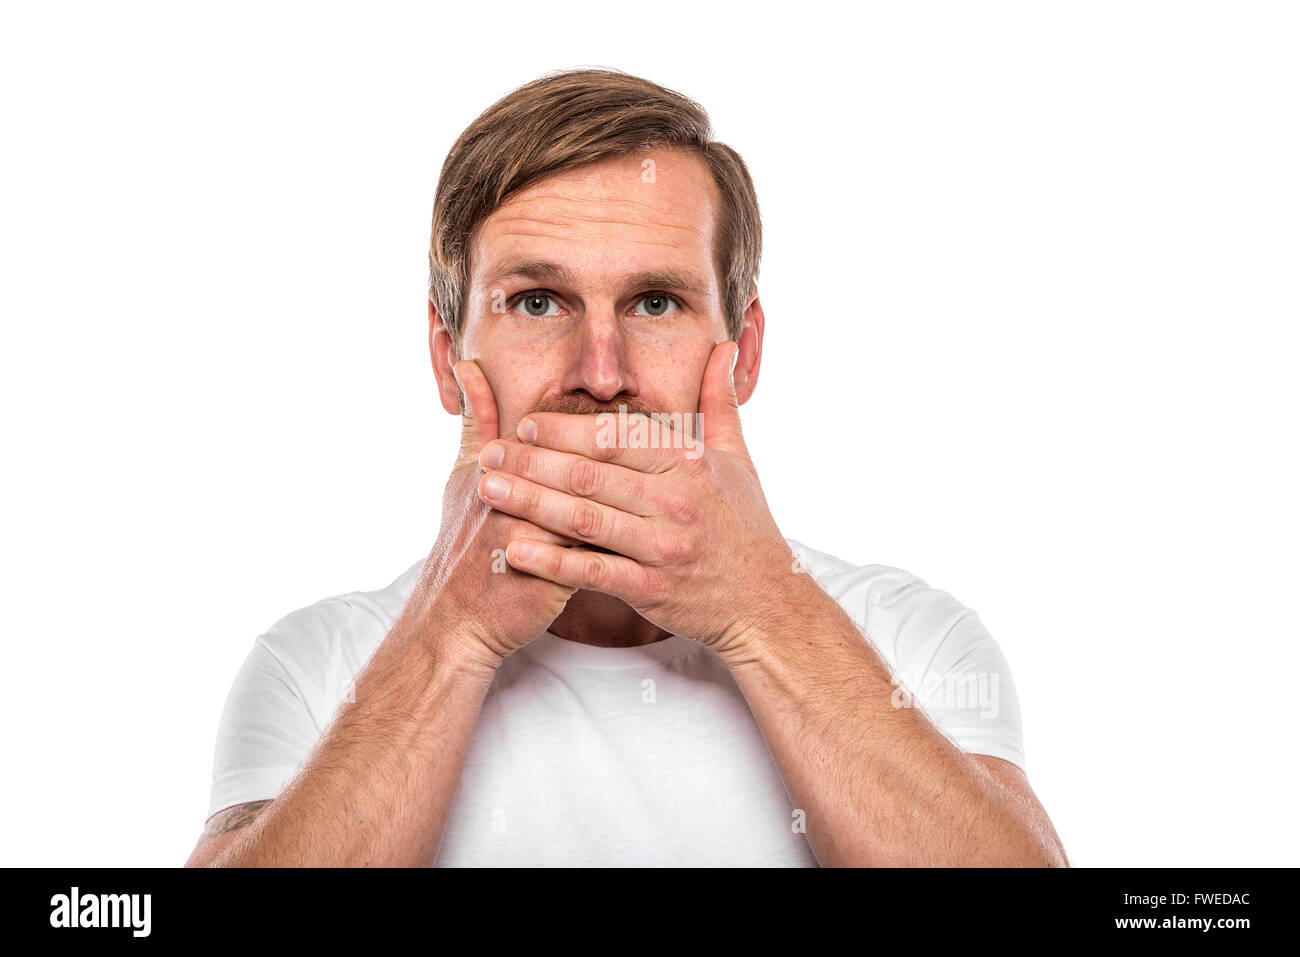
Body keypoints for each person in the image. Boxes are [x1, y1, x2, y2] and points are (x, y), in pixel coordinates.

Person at [187, 68, 1068, 867]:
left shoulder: (912, 641)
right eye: (537, 301)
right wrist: (451, 631)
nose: (601, 374)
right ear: (445, 352)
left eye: (655, 302)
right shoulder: (316, 664)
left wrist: (764, 607)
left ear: (744, 352)